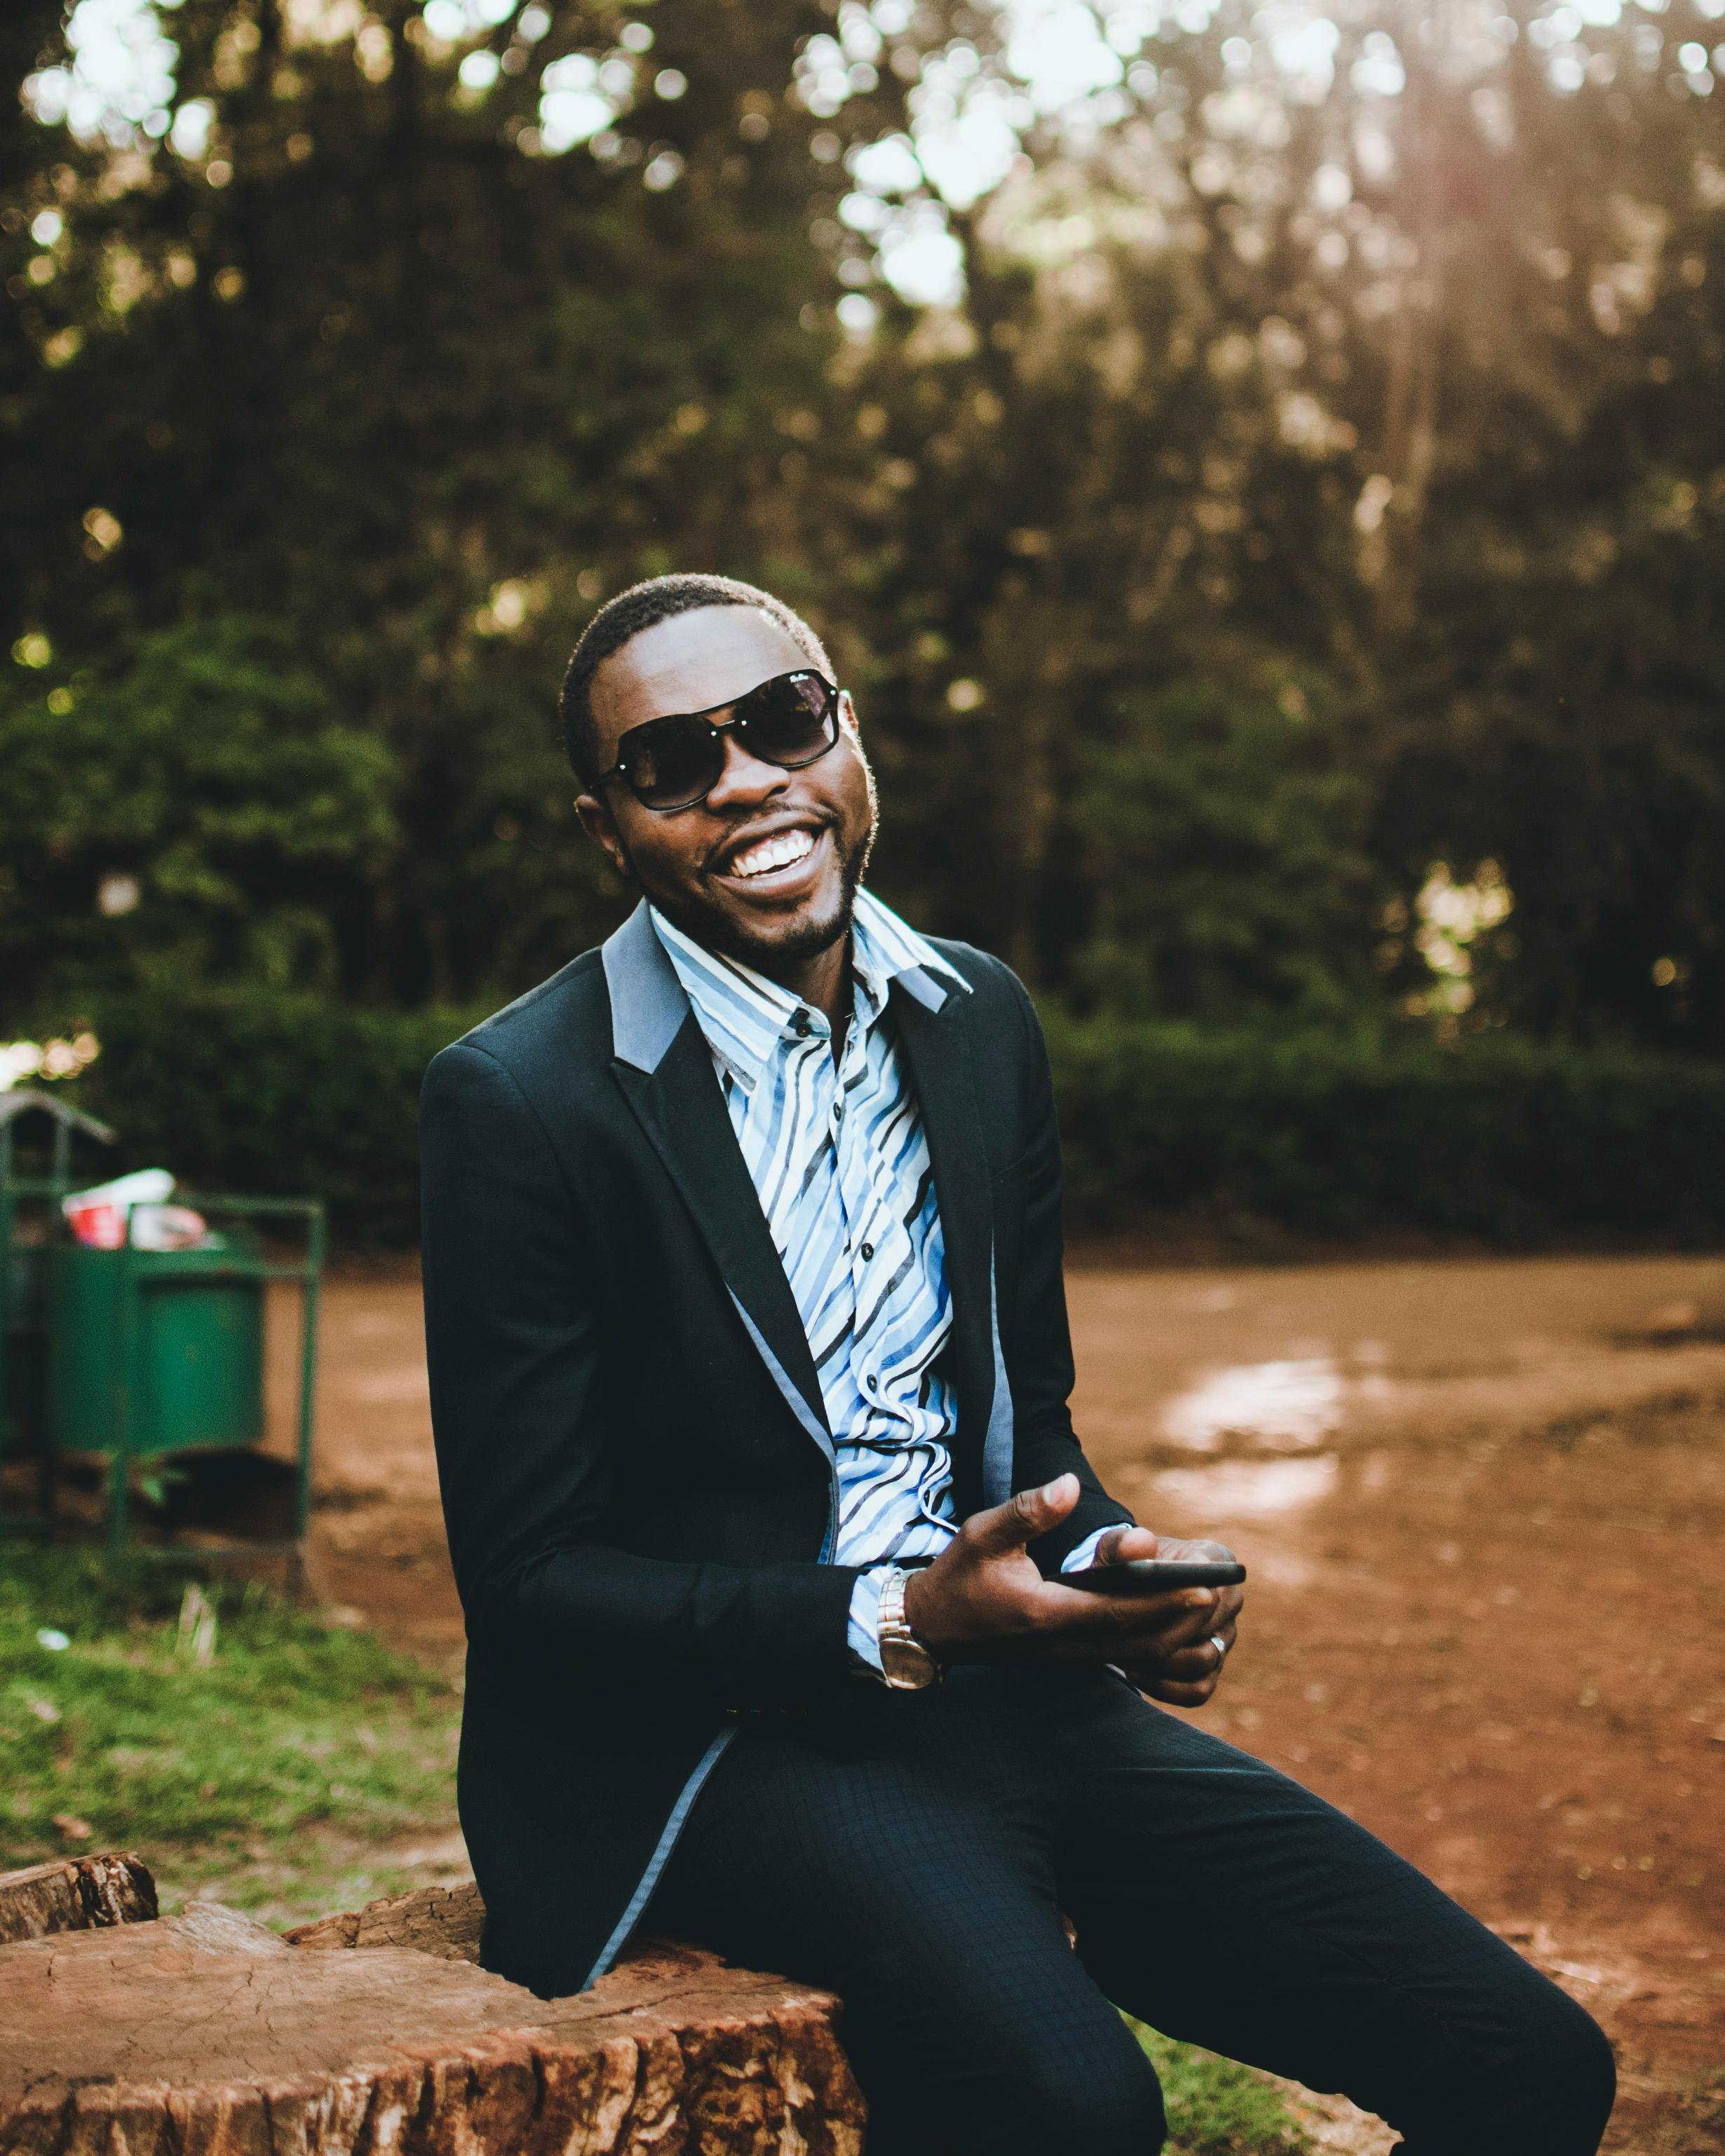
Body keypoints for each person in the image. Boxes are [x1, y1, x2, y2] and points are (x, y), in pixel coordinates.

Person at [419, 572, 1615, 2156]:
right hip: (705, 1746)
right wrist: (900, 1613)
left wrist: (1112, 1558)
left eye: (781, 721)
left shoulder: (980, 1018)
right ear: (606, 828)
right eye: (673, 763)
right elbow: (530, 1582)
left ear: (846, 726)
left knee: (1529, 2066)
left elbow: (1019, 1426)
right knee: (1074, 2108)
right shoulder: (520, 1099)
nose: (749, 783)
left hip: (994, 1686)